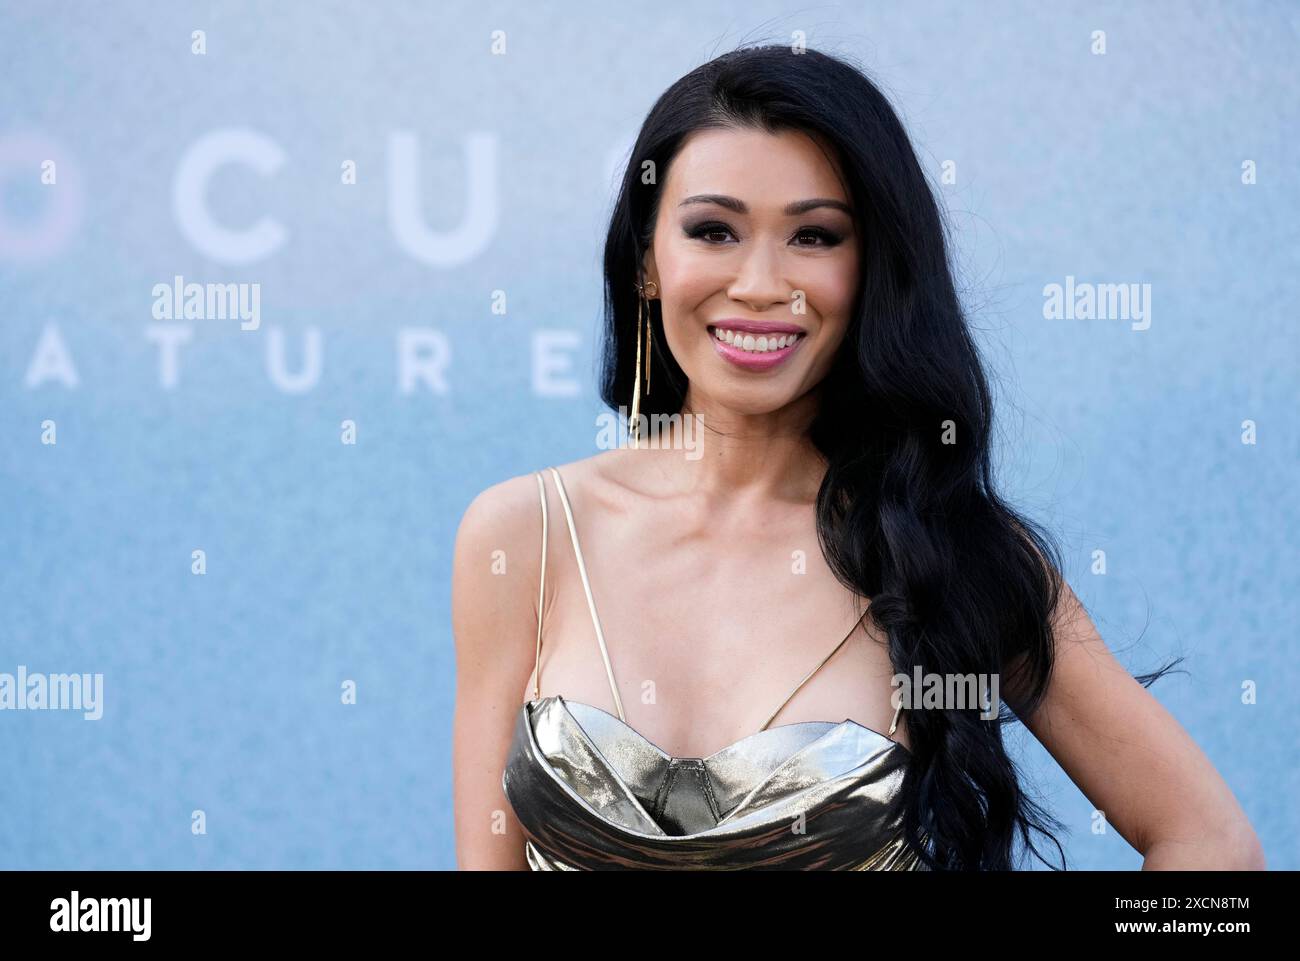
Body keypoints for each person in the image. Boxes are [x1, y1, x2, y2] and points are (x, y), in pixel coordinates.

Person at [451, 44, 1265, 870]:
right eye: (714, 231)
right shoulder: (524, 536)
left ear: (872, 269)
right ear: (646, 266)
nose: (763, 283)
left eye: (814, 235)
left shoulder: (948, 547)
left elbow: (1212, 845)